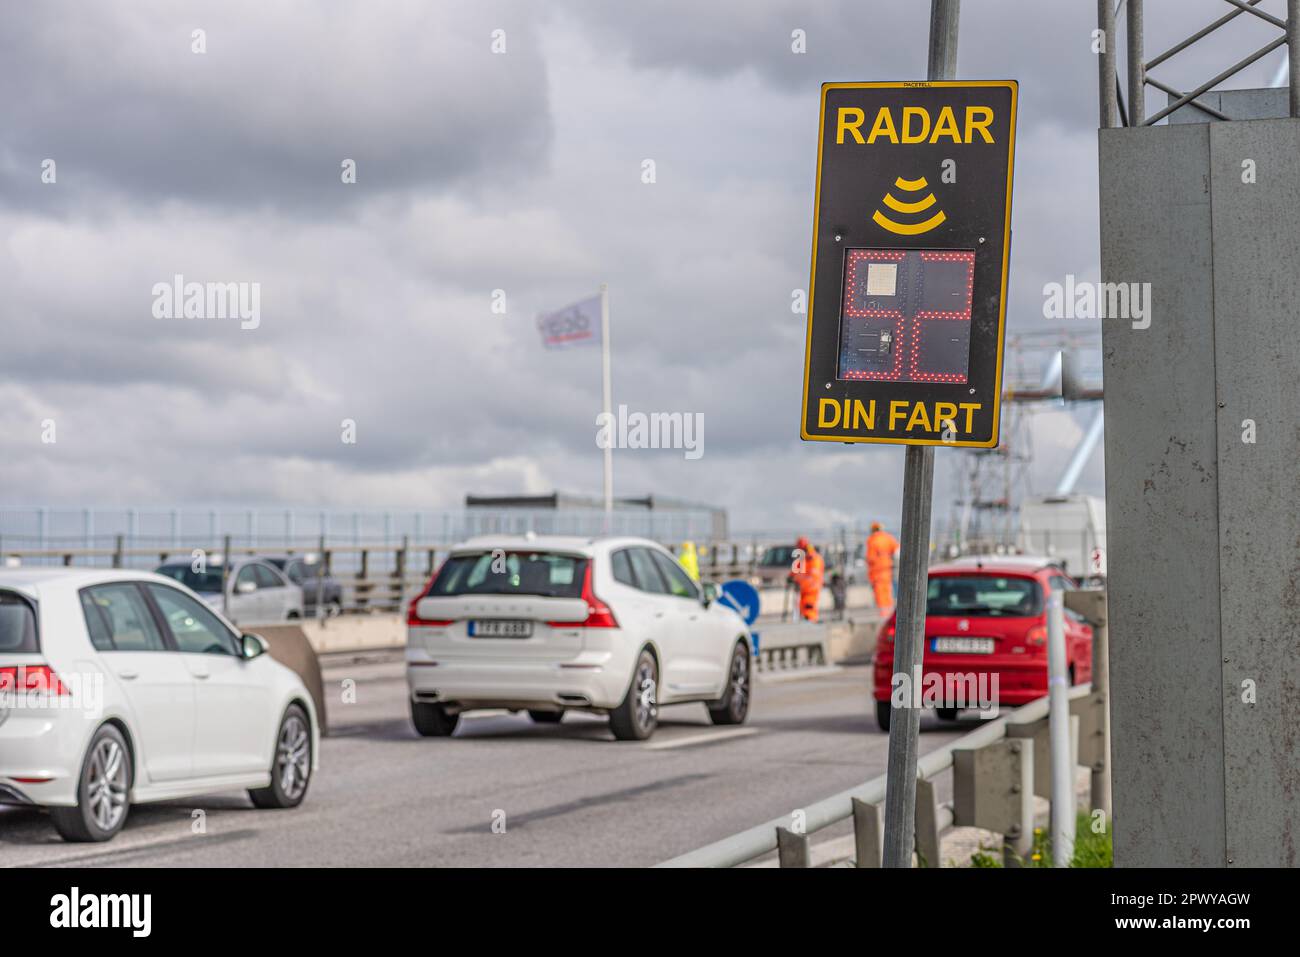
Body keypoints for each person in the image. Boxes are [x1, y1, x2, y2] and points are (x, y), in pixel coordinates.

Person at [788, 536, 824, 623]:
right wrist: (791, 576)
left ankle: (811, 625)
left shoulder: (814, 559)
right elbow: (797, 570)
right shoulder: (803, 558)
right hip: (804, 589)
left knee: (809, 609)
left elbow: (812, 576)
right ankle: (807, 624)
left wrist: (797, 579)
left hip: (812, 589)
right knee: (802, 609)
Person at [866, 522, 900, 613]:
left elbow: (870, 558)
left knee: (880, 596)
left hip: (877, 572)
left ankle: (884, 616)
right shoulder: (888, 538)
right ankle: (889, 614)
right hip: (887, 571)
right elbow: (897, 550)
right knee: (888, 594)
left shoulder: (872, 540)